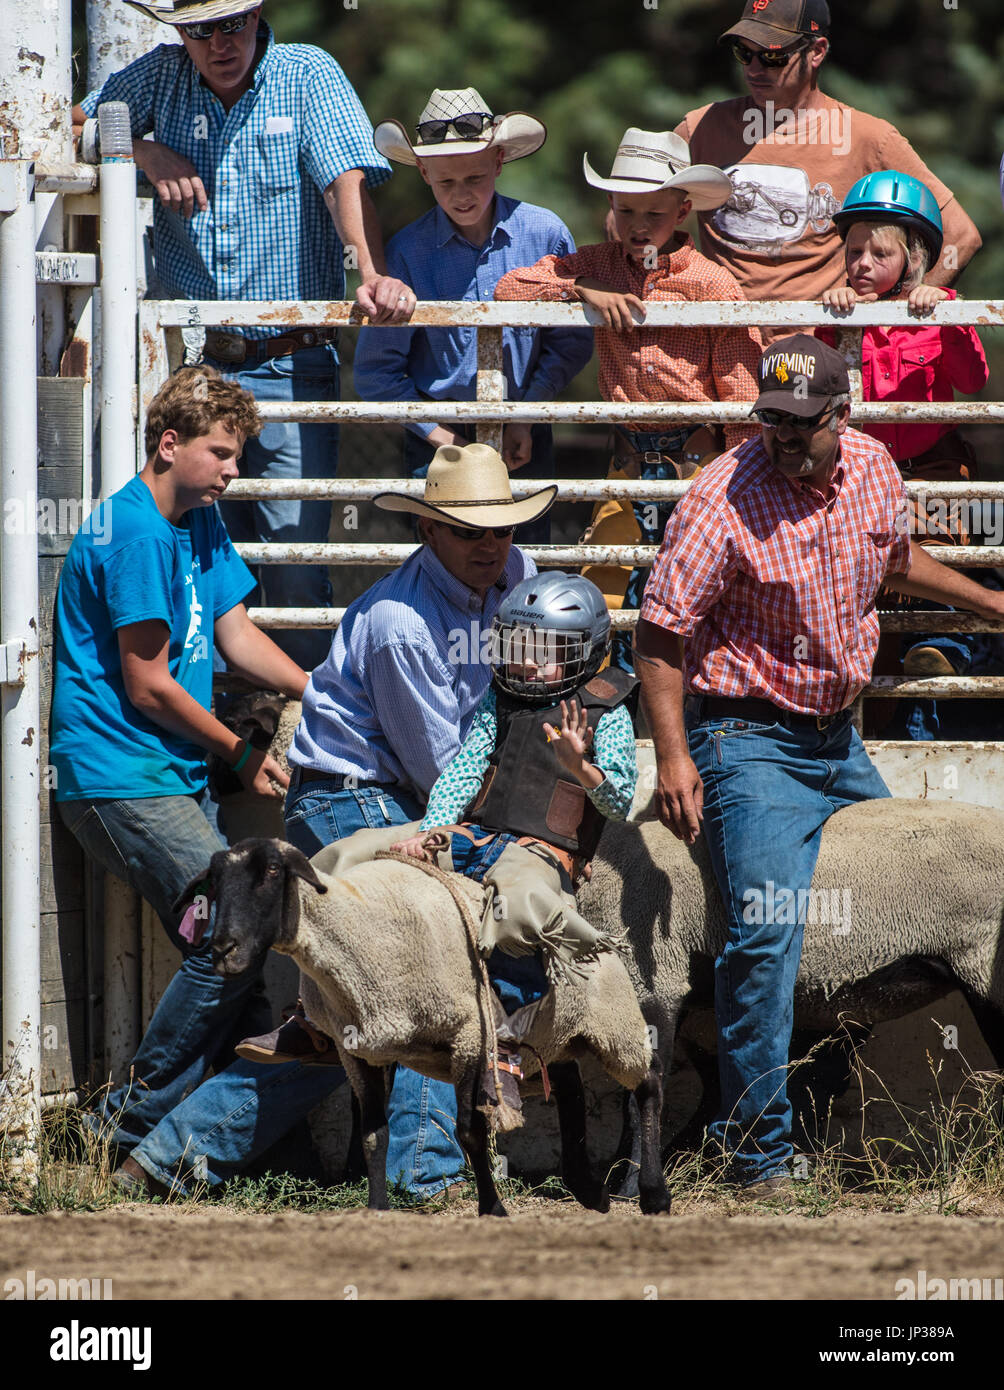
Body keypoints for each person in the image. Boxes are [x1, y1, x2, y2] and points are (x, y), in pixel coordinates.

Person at [110, 444, 553, 1200]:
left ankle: (164, 1161)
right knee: (428, 956)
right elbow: (439, 768)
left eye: (502, 530)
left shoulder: (522, 582)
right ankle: (426, 1172)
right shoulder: (398, 623)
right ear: (431, 532)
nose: (491, 545)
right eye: (469, 531)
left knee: (352, 1019)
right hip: (352, 794)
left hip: (408, 790)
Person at [634, 334, 1004, 1197]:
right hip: (748, 738)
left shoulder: (874, 467)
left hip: (838, 736)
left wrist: (989, 600)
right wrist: (676, 754)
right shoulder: (721, 497)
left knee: (876, 924)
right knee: (765, 936)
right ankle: (757, 1158)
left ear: (843, 414)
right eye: (771, 420)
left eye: (802, 424)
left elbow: (895, 558)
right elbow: (659, 634)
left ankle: (792, 1113)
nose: (783, 439)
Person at [72, 0, 415, 670]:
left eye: (232, 24)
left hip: (289, 362)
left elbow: (345, 178)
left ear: (259, 17)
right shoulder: (159, 78)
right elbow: (79, 120)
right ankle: (229, 731)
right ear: (181, 33)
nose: (218, 43)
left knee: (291, 560)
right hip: (198, 368)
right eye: (200, 30)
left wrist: (369, 271)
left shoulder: (305, 71)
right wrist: (139, 147)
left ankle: (308, 728)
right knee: (205, 563)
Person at [50, 366, 308, 1168]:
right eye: (223, 454)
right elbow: (151, 684)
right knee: (235, 931)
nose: (236, 472)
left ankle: (210, 1156)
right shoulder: (132, 531)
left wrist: (321, 691)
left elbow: (235, 637)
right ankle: (117, 1135)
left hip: (166, 777)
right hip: (120, 780)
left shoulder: (196, 519)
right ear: (171, 444)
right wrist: (241, 749)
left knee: (242, 955)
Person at [495, 127, 762, 668]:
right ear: (611, 207)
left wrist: (742, 478)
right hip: (627, 459)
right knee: (606, 591)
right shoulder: (599, 265)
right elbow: (509, 289)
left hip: (702, 463)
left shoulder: (713, 285)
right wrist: (579, 289)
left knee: (697, 592)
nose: (639, 228)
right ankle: (610, 723)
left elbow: (740, 389)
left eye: (654, 215)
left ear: (683, 210)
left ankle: (695, 722)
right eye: (626, 212)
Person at [390, 572, 637, 1122]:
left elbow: (621, 803)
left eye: (543, 652)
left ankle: (506, 1041)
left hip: (540, 850)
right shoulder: (497, 699)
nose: (526, 663)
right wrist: (429, 830)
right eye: (516, 648)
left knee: (519, 904)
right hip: (478, 833)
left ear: (586, 652)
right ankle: (318, 1013)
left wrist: (582, 767)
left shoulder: (607, 712)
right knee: (368, 852)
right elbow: (466, 768)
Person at [352, 86, 593, 545]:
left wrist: (526, 414)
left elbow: (571, 340)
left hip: (523, 423)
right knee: (441, 560)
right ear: (423, 172)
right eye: (446, 182)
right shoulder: (406, 252)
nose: (462, 194)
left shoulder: (545, 234)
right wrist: (446, 438)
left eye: (475, 178)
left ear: (498, 162)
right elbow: (377, 372)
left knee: (524, 558)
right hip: (437, 439)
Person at [675, 0, 982, 336]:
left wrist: (895, 319)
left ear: (817, 51)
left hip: (821, 367)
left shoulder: (868, 137)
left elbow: (961, 237)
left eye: (772, 56)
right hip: (719, 365)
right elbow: (628, 216)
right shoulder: (699, 128)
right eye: (743, 53)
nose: (753, 68)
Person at [817, 170, 990, 736]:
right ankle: (884, 718)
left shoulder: (938, 310)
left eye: (878, 252)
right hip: (863, 475)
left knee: (942, 559)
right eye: (853, 251)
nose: (861, 263)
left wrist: (946, 312)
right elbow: (817, 382)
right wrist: (831, 317)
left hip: (931, 467)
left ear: (914, 258)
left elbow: (972, 380)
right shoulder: (840, 314)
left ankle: (942, 647)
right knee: (873, 586)